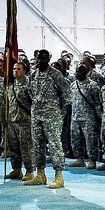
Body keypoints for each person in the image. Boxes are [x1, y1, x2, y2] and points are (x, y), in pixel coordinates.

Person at [25, 49, 70, 189]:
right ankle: (40, 174)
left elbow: (67, 96)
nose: (40, 61)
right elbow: (30, 93)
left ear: (48, 60)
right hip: (36, 116)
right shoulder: (33, 75)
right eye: (38, 58)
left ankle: (59, 176)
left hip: (52, 117)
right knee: (37, 145)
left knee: (55, 146)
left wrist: (59, 114)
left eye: (43, 59)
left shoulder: (55, 75)